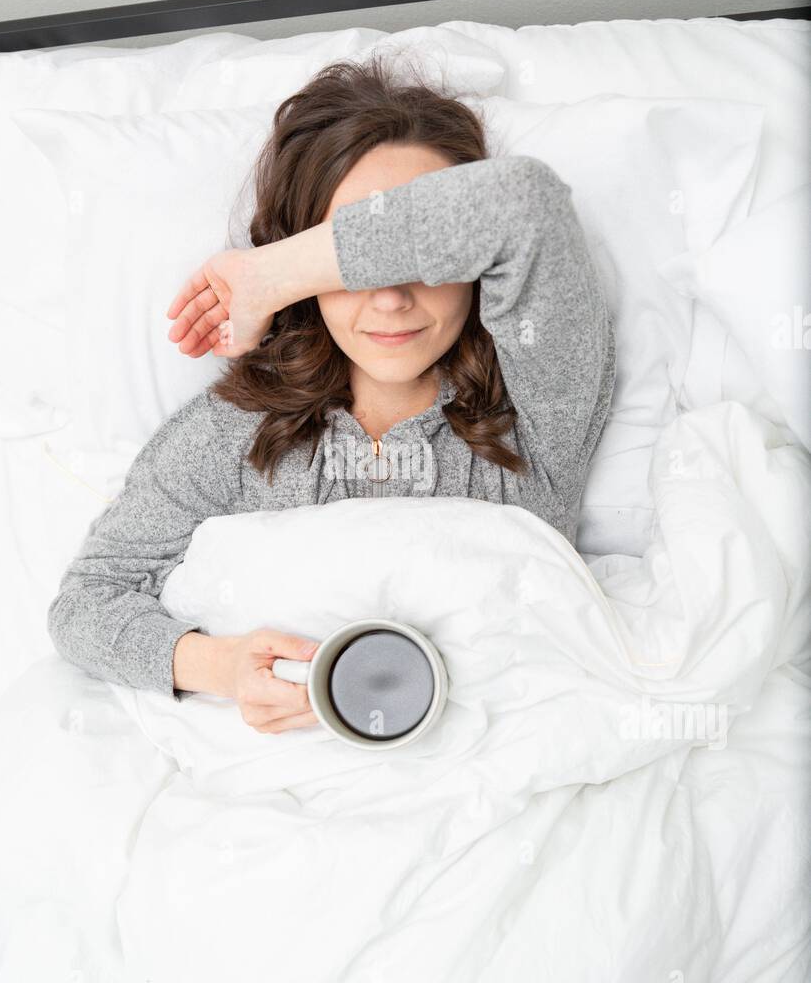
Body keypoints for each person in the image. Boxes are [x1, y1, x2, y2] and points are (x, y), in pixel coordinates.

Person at [48, 52, 616, 733]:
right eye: (363, 257)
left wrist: (271, 276)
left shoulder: (539, 416)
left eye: (421, 252)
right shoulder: (233, 433)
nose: (393, 298)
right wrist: (221, 667)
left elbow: (523, 205)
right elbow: (86, 605)